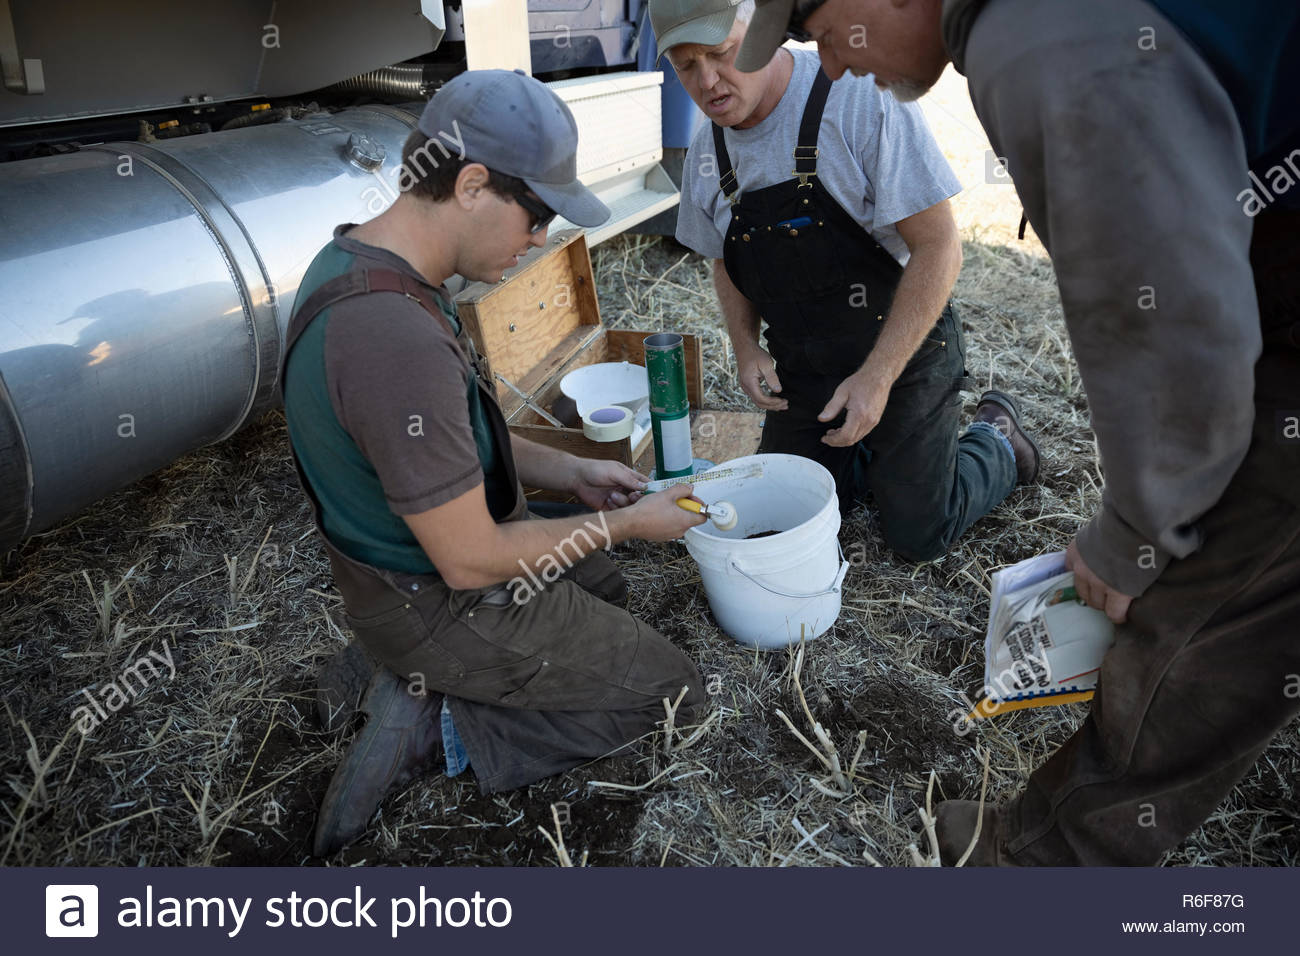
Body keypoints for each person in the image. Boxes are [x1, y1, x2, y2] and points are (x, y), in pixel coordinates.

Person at [735, 0, 1300, 864]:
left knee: (1196, 626)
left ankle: (1036, 876)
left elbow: (1174, 319)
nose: (836, 67)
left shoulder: (1040, 39)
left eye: (822, 34)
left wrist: (1136, 536)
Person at [280, 69, 708, 857]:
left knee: (603, 586)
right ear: (473, 184)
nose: (540, 238)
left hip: (408, 566)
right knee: (667, 692)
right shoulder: (393, 338)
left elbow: (448, 439)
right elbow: (473, 559)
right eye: (537, 212)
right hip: (435, 596)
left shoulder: (368, 268)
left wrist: (572, 477)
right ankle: (436, 724)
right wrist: (620, 523)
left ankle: (409, 673)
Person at [649, 0, 1040, 565]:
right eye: (686, 66)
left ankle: (997, 439)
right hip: (805, 368)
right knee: (790, 514)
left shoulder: (855, 98)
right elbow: (722, 258)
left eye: (720, 53)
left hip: (903, 360)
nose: (707, 82)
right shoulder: (706, 150)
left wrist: (877, 379)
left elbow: (939, 247)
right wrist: (744, 347)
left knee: (916, 535)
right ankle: (872, 461)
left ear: (759, 34)